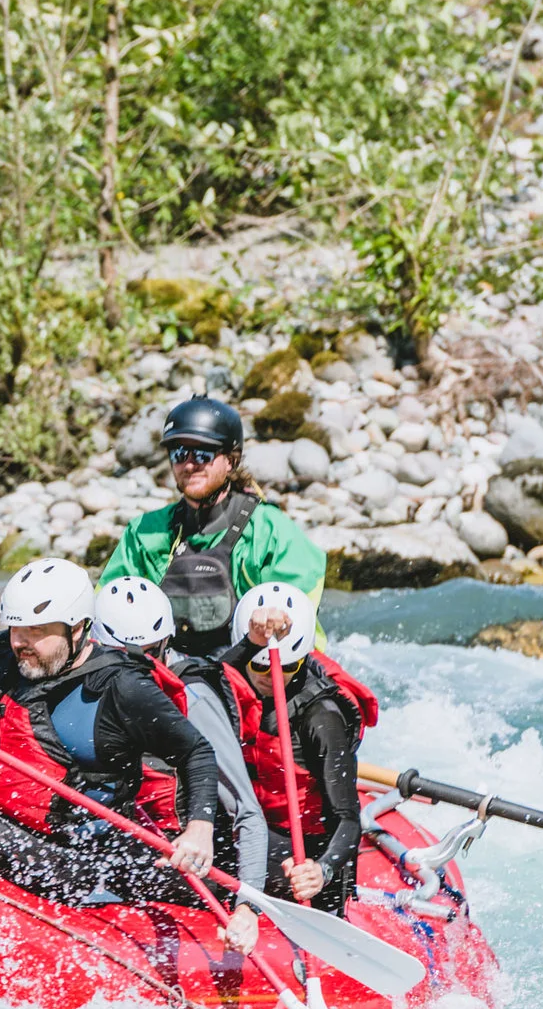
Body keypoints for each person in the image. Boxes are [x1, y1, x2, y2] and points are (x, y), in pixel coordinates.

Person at [0, 559, 219, 907]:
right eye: (17, 628)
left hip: (67, 855)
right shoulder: (1, 650)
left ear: (77, 629)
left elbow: (196, 752)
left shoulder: (122, 686)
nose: (21, 642)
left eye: (37, 631)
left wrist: (199, 829)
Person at [90, 576, 266, 952]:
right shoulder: (87, 678)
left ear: (166, 643)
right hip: (123, 835)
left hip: (189, 859)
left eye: (148, 655)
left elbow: (248, 814)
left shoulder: (193, 700)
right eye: (120, 657)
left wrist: (248, 908)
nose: (133, 671)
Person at [97, 396, 327, 658]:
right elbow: (105, 610)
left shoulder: (270, 529)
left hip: (249, 669)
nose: (190, 464)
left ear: (230, 461)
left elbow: (298, 619)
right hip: (164, 672)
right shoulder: (145, 532)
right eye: (180, 453)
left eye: (203, 454)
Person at [217, 581, 377, 915]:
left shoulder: (321, 718)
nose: (270, 675)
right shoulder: (227, 690)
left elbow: (347, 819)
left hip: (306, 853)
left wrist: (323, 870)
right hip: (248, 831)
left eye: (291, 666)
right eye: (258, 665)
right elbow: (198, 680)